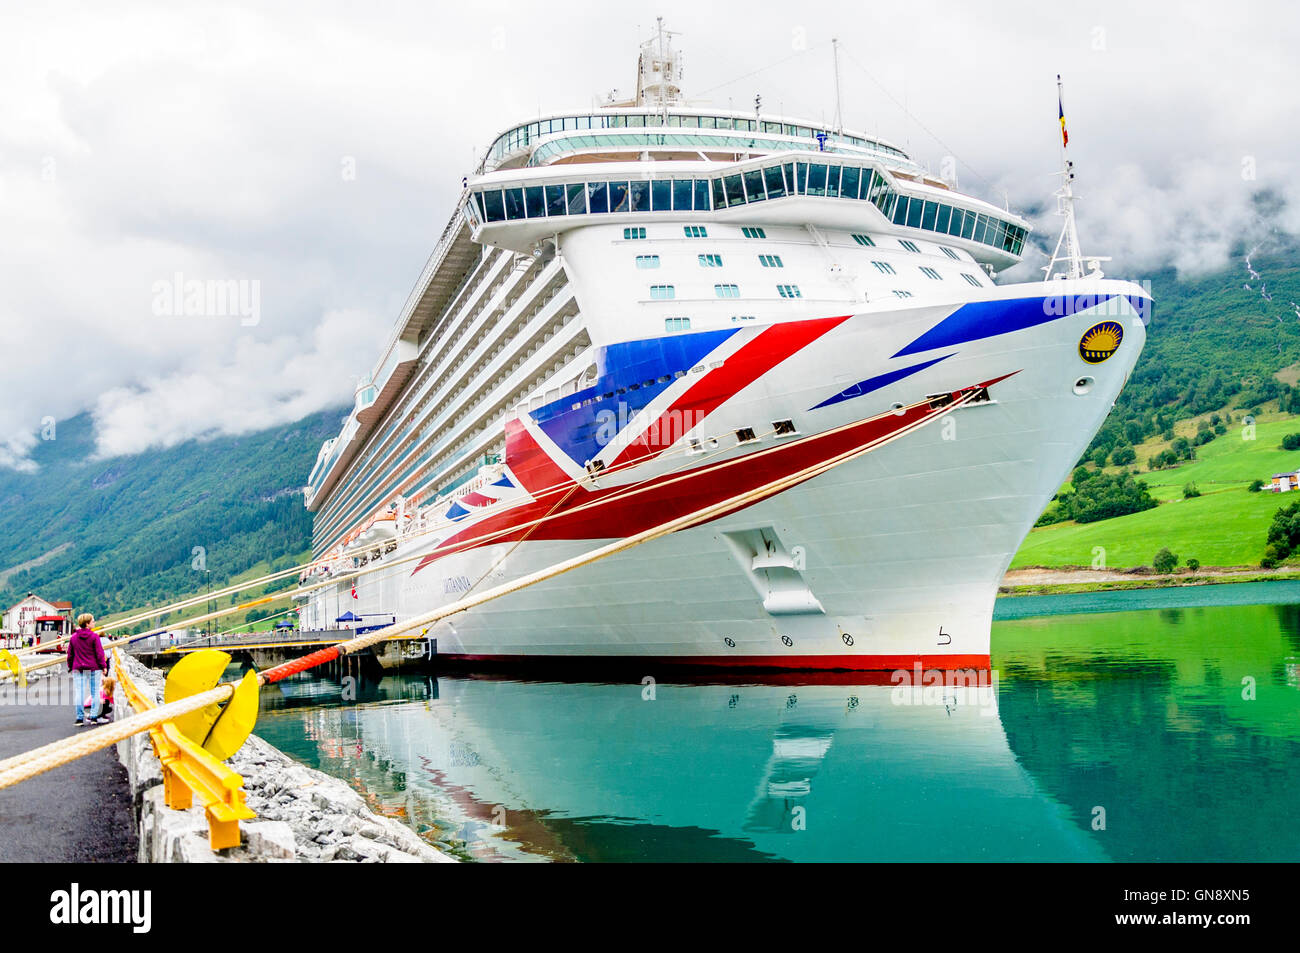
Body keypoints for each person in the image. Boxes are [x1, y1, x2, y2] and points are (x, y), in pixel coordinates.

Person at [66, 613, 107, 727]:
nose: (94, 623)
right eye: (93, 621)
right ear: (87, 624)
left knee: (79, 692)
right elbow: (99, 653)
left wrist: (70, 666)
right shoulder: (94, 637)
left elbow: (70, 655)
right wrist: (103, 666)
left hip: (78, 668)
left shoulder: (73, 638)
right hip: (94, 668)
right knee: (95, 693)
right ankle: (93, 716)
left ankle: (79, 718)